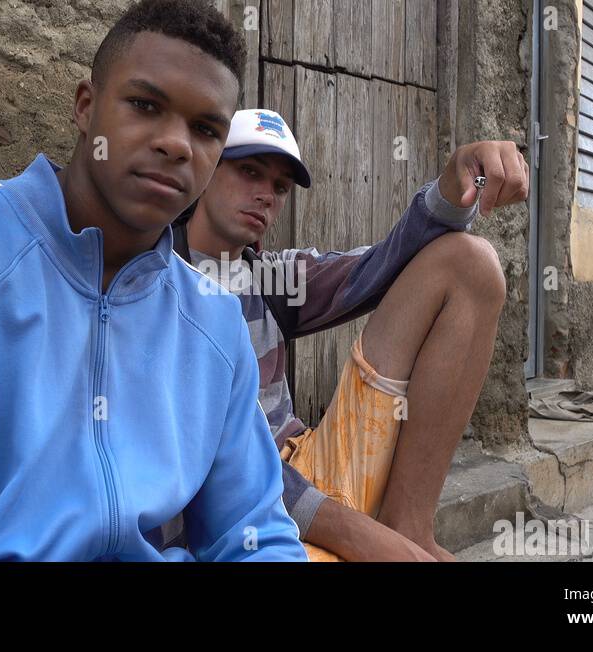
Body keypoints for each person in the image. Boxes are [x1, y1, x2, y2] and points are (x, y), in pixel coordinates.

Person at [0, 0, 307, 562]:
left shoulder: (214, 322)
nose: (177, 144)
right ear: (86, 107)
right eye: (145, 105)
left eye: (204, 129)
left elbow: (256, 532)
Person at [174, 108, 528, 561]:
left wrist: (450, 190)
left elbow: (380, 266)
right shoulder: (155, 285)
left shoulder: (271, 279)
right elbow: (213, 471)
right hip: (241, 511)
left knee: (471, 263)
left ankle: (412, 528)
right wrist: (359, 536)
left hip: (309, 466)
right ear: (206, 168)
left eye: (280, 187)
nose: (266, 195)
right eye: (249, 172)